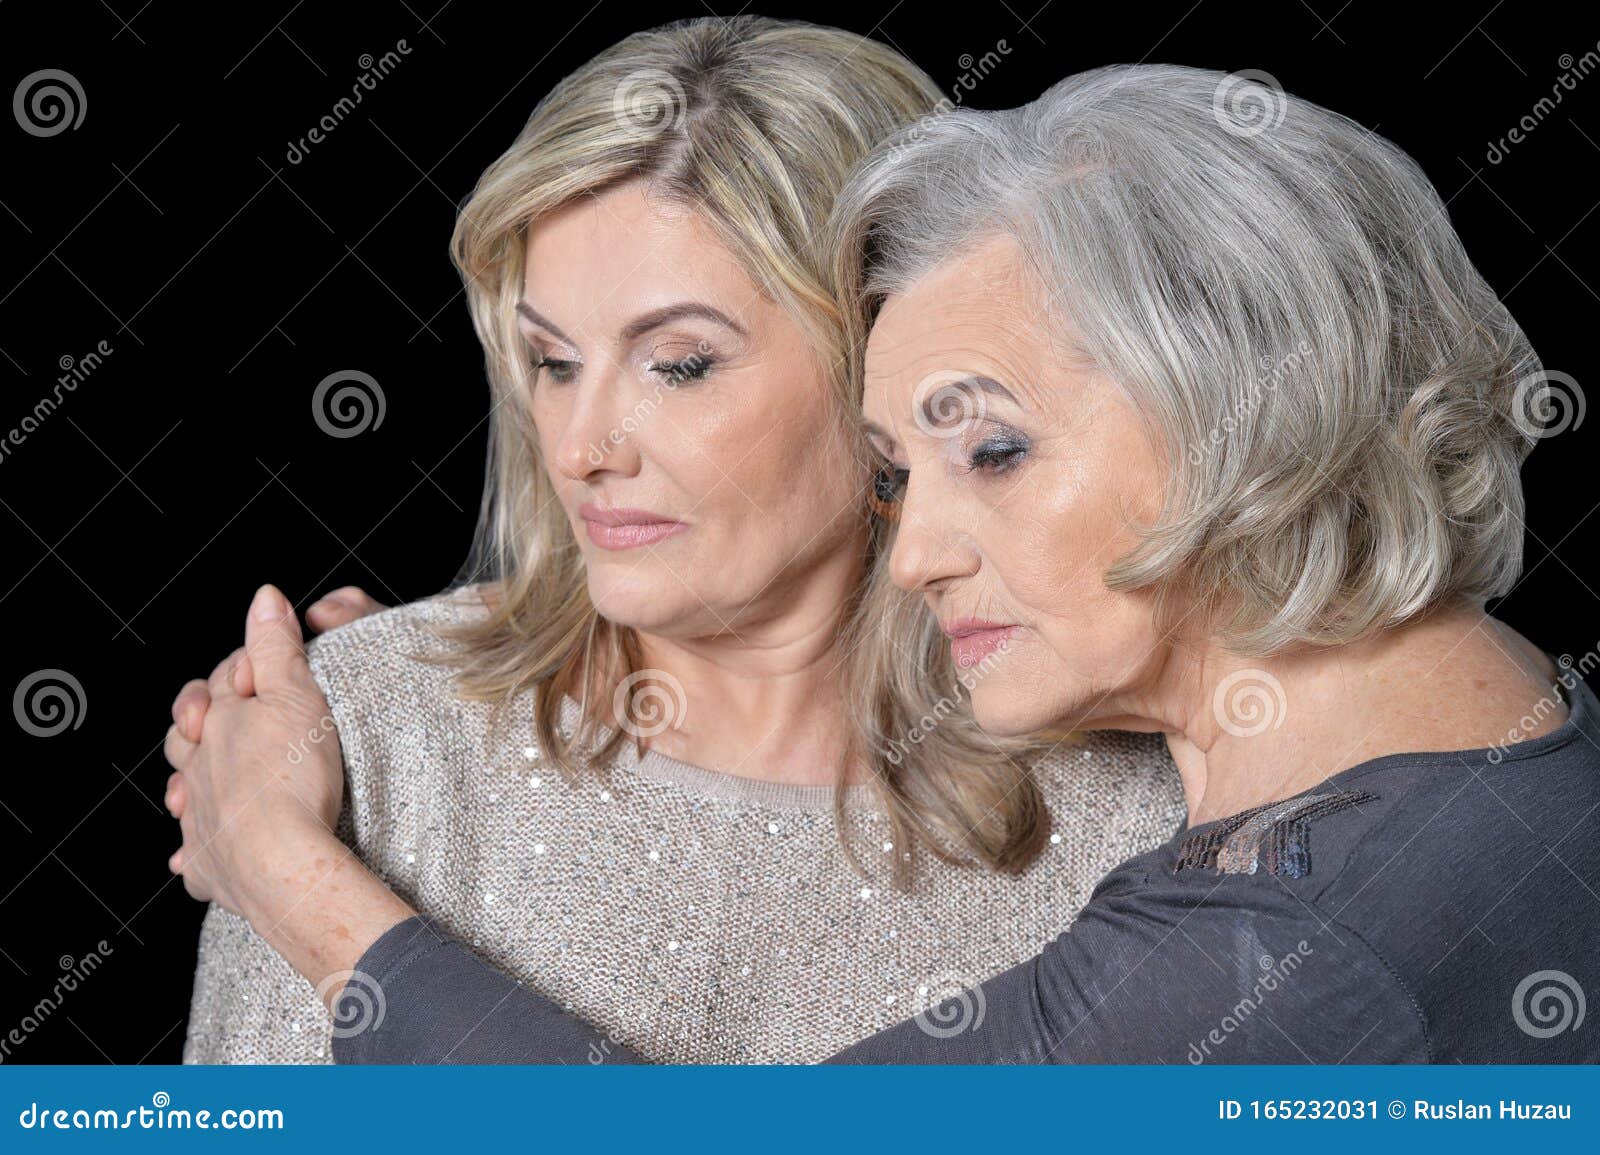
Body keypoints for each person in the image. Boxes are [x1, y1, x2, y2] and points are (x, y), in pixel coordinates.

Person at [169, 62, 1599, 1064]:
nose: (914, 545)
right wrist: (405, 705)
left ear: (1244, 418)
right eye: (546, 360)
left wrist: (293, 873)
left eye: (992, 448)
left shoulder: (1271, 932)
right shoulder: (1501, 736)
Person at [168, 22, 1186, 1065]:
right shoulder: (365, 737)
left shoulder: (1128, 803)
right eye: (553, 363)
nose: (578, 447)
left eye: (679, 365)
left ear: (883, 349)